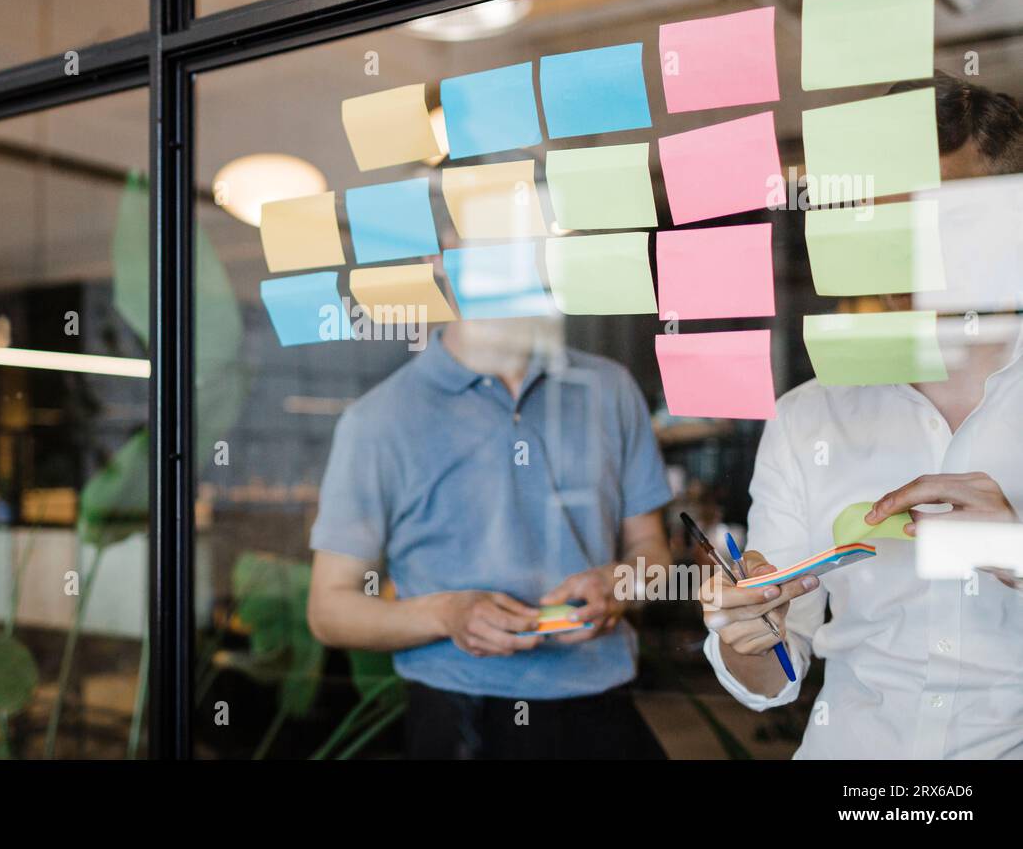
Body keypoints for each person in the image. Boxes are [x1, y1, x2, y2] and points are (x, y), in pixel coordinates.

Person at [700, 73, 1023, 758]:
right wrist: (748, 631)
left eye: (946, 220)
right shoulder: (808, 419)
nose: (913, 254)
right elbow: (773, 673)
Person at [306, 314, 673, 759]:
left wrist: (620, 585)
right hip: (460, 714)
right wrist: (446, 615)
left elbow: (652, 553)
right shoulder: (378, 419)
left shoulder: (609, 387)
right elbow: (329, 608)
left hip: (602, 703)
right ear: (439, 258)